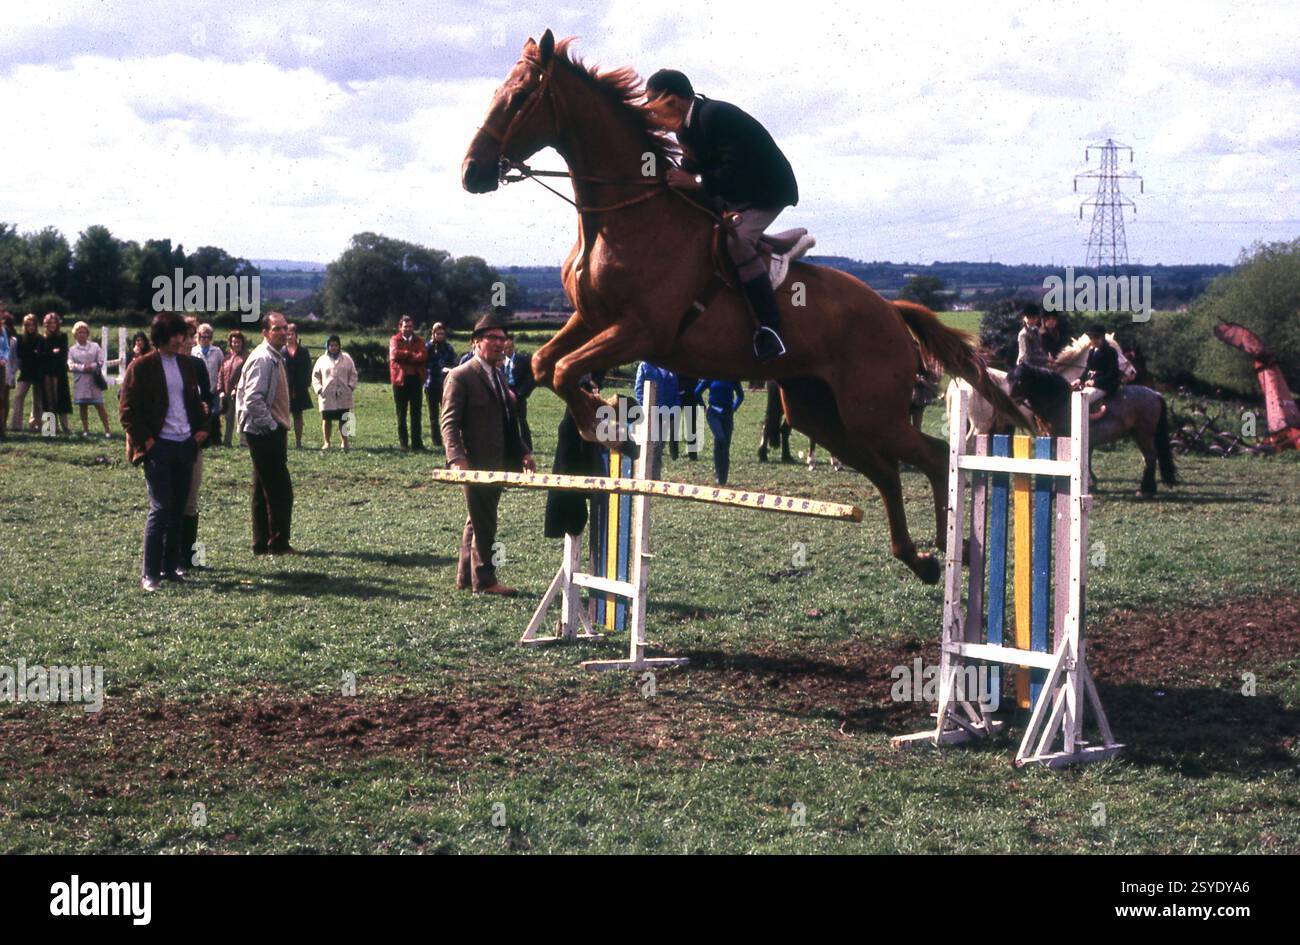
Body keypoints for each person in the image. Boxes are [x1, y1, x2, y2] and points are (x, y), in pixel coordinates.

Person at [647, 69, 799, 362]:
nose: (650, 113)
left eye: (653, 103)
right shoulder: (687, 126)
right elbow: (692, 165)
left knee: (736, 242)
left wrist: (696, 183)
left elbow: (737, 170)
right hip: (736, 190)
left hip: (765, 191)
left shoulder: (714, 116)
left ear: (674, 101)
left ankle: (770, 329)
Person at [440, 312, 535, 595]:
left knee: (478, 518)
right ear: (475, 343)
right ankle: (486, 581)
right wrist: (457, 460)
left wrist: (524, 452)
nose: (499, 343)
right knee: (485, 522)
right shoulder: (461, 376)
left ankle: (465, 578)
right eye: (492, 338)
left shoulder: (497, 374)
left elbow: (508, 420)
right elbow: (449, 422)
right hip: (474, 463)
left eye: (502, 338)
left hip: (497, 462)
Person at [118, 312, 207, 592]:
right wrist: (148, 443)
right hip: (159, 447)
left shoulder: (186, 364)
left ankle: (170, 568)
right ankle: (149, 573)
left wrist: (200, 433)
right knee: (160, 509)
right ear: (160, 336)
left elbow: (195, 402)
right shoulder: (141, 366)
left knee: (178, 510)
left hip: (185, 445)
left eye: (183, 333)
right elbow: (127, 411)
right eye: (176, 333)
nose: (181, 338)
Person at [236, 312, 295, 555]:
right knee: (280, 490)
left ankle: (261, 542)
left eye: (285, 328)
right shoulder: (263, 359)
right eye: (277, 329)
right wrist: (270, 426)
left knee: (262, 489)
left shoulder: (274, 357)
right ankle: (278, 543)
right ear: (264, 332)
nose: (283, 332)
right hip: (264, 431)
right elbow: (253, 399)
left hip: (268, 429)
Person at [180, 317, 215, 568]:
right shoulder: (159, 365)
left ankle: (190, 558)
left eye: (195, 336)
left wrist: (207, 416)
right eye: (189, 336)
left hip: (195, 442)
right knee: (171, 502)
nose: (192, 341)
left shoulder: (197, 364)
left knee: (191, 501)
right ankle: (168, 558)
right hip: (169, 443)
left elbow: (211, 398)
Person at [695, 377, 744, 485]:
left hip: (727, 415)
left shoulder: (732, 377)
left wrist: (733, 408)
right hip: (713, 414)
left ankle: (723, 477)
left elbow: (741, 395)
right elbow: (697, 392)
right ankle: (718, 473)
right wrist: (704, 407)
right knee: (720, 439)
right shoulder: (711, 375)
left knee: (725, 445)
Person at [67, 320, 113, 437]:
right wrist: (82, 368)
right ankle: (86, 430)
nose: (82, 335)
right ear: (75, 334)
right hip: (81, 381)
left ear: (87, 334)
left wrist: (92, 366)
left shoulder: (95, 346)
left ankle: (107, 430)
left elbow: (101, 361)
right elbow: (70, 364)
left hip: (94, 380)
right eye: (79, 332)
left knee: (100, 406)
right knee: (83, 407)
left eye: (84, 332)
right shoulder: (72, 350)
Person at [312, 334, 358, 450]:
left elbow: (353, 374)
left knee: (344, 419)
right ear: (327, 346)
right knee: (327, 419)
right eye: (331, 345)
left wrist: (350, 387)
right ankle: (326, 442)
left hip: (343, 394)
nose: (333, 347)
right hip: (327, 395)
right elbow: (315, 376)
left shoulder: (347, 359)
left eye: (336, 345)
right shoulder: (321, 360)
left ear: (339, 346)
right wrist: (319, 389)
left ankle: (345, 442)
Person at [389, 314, 427, 451]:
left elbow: (423, 356)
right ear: (400, 327)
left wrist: (406, 356)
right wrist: (412, 355)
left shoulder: (419, 340)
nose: (408, 329)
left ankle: (417, 443)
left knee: (416, 413)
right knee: (401, 413)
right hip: (400, 381)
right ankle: (404, 444)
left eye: (410, 326)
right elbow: (395, 355)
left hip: (416, 379)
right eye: (405, 326)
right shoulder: (394, 340)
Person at [635, 360, 681, 463]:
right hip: (650, 413)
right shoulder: (645, 366)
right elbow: (638, 391)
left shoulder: (670, 367)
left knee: (660, 446)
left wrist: (675, 409)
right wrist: (645, 409)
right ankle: (650, 472)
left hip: (667, 413)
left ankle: (656, 474)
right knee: (653, 445)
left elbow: (675, 392)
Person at [1074, 325, 1121, 421]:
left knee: (1082, 398)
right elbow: (1088, 369)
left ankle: (1091, 418)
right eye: (1091, 338)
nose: (1093, 340)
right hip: (1091, 385)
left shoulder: (1111, 352)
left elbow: (1113, 374)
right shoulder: (1092, 351)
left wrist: (1094, 382)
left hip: (1104, 386)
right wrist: (1079, 380)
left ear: (1102, 337)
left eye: (1096, 337)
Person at [9, 313, 45, 431]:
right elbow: (18, 356)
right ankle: (16, 425)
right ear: (25, 325)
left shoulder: (40, 339)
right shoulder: (20, 339)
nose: (31, 327)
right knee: (18, 397)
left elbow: (40, 355)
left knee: (38, 401)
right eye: (28, 324)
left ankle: (36, 425)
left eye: (33, 324)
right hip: (25, 373)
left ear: (36, 325)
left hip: (38, 373)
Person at [424, 322, 457, 448]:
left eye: (442, 333)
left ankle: (448, 439)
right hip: (431, 384)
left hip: (445, 385)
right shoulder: (428, 347)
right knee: (433, 415)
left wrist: (448, 369)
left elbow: (453, 363)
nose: (440, 336)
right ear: (433, 334)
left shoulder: (449, 348)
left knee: (447, 414)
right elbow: (425, 364)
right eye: (438, 333)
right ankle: (436, 441)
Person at [191, 323, 225, 444]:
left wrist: (221, 387)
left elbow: (222, 369)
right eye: (202, 336)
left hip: (214, 388)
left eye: (207, 337)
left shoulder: (217, 351)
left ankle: (216, 437)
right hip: (198, 389)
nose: (205, 339)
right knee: (202, 413)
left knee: (215, 413)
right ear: (198, 337)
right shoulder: (193, 351)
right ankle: (203, 439)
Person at [502, 336, 535, 452]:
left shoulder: (522, 360)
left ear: (513, 347)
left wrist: (521, 393)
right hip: (505, 392)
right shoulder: (500, 361)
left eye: (510, 347)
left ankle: (528, 446)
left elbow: (531, 378)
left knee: (522, 420)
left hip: (519, 393)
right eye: (505, 348)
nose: (508, 350)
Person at [41, 312, 72, 434]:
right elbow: (41, 355)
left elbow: (63, 352)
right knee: (48, 400)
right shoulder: (42, 338)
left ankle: (65, 427)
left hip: (59, 372)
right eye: (50, 323)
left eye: (55, 322)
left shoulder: (63, 336)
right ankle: (50, 429)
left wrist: (51, 353)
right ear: (46, 324)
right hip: (46, 372)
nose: (53, 325)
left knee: (61, 399)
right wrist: (52, 352)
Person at [284, 323, 314, 449]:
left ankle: (298, 442)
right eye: (287, 334)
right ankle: (283, 443)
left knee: (298, 415)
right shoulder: (281, 350)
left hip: (299, 387)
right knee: (283, 417)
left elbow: (308, 369)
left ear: (296, 335)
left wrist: (306, 384)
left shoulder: (303, 351)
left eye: (292, 334)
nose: (289, 337)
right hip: (284, 388)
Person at [217, 330, 247, 447]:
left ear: (242, 343)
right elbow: (220, 374)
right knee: (228, 418)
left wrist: (236, 388)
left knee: (241, 417)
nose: (236, 344)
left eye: (238, 342)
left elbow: (244, 375)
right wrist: (220, 390)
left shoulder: (245, 357)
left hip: (241, 393)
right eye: (234, 342)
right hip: (227, 394)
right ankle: (227, 441)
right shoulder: (227, 358)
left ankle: (243, 442)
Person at [757, 379, 792, 463]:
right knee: (790, 412)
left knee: (772, 414)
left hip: (772, 379)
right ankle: (784, 453)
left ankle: (763, 447)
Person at [1017, 303, 1048, 368]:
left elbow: (1039, 349)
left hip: (1038, 364)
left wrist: (1047, 357)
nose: (1033, 320)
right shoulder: (1023, 335)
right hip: (1026, 366)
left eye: (1034, 317)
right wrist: (1045, 359)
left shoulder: (1036, 329)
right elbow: (1027, 357)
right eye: (1030, 318)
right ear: (1024, 318)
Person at [0, 313, 15, 439]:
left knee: (2, 399)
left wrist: (4, 358)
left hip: (2, 367)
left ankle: (1, 429)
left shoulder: (3, 330)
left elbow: (6, 348)